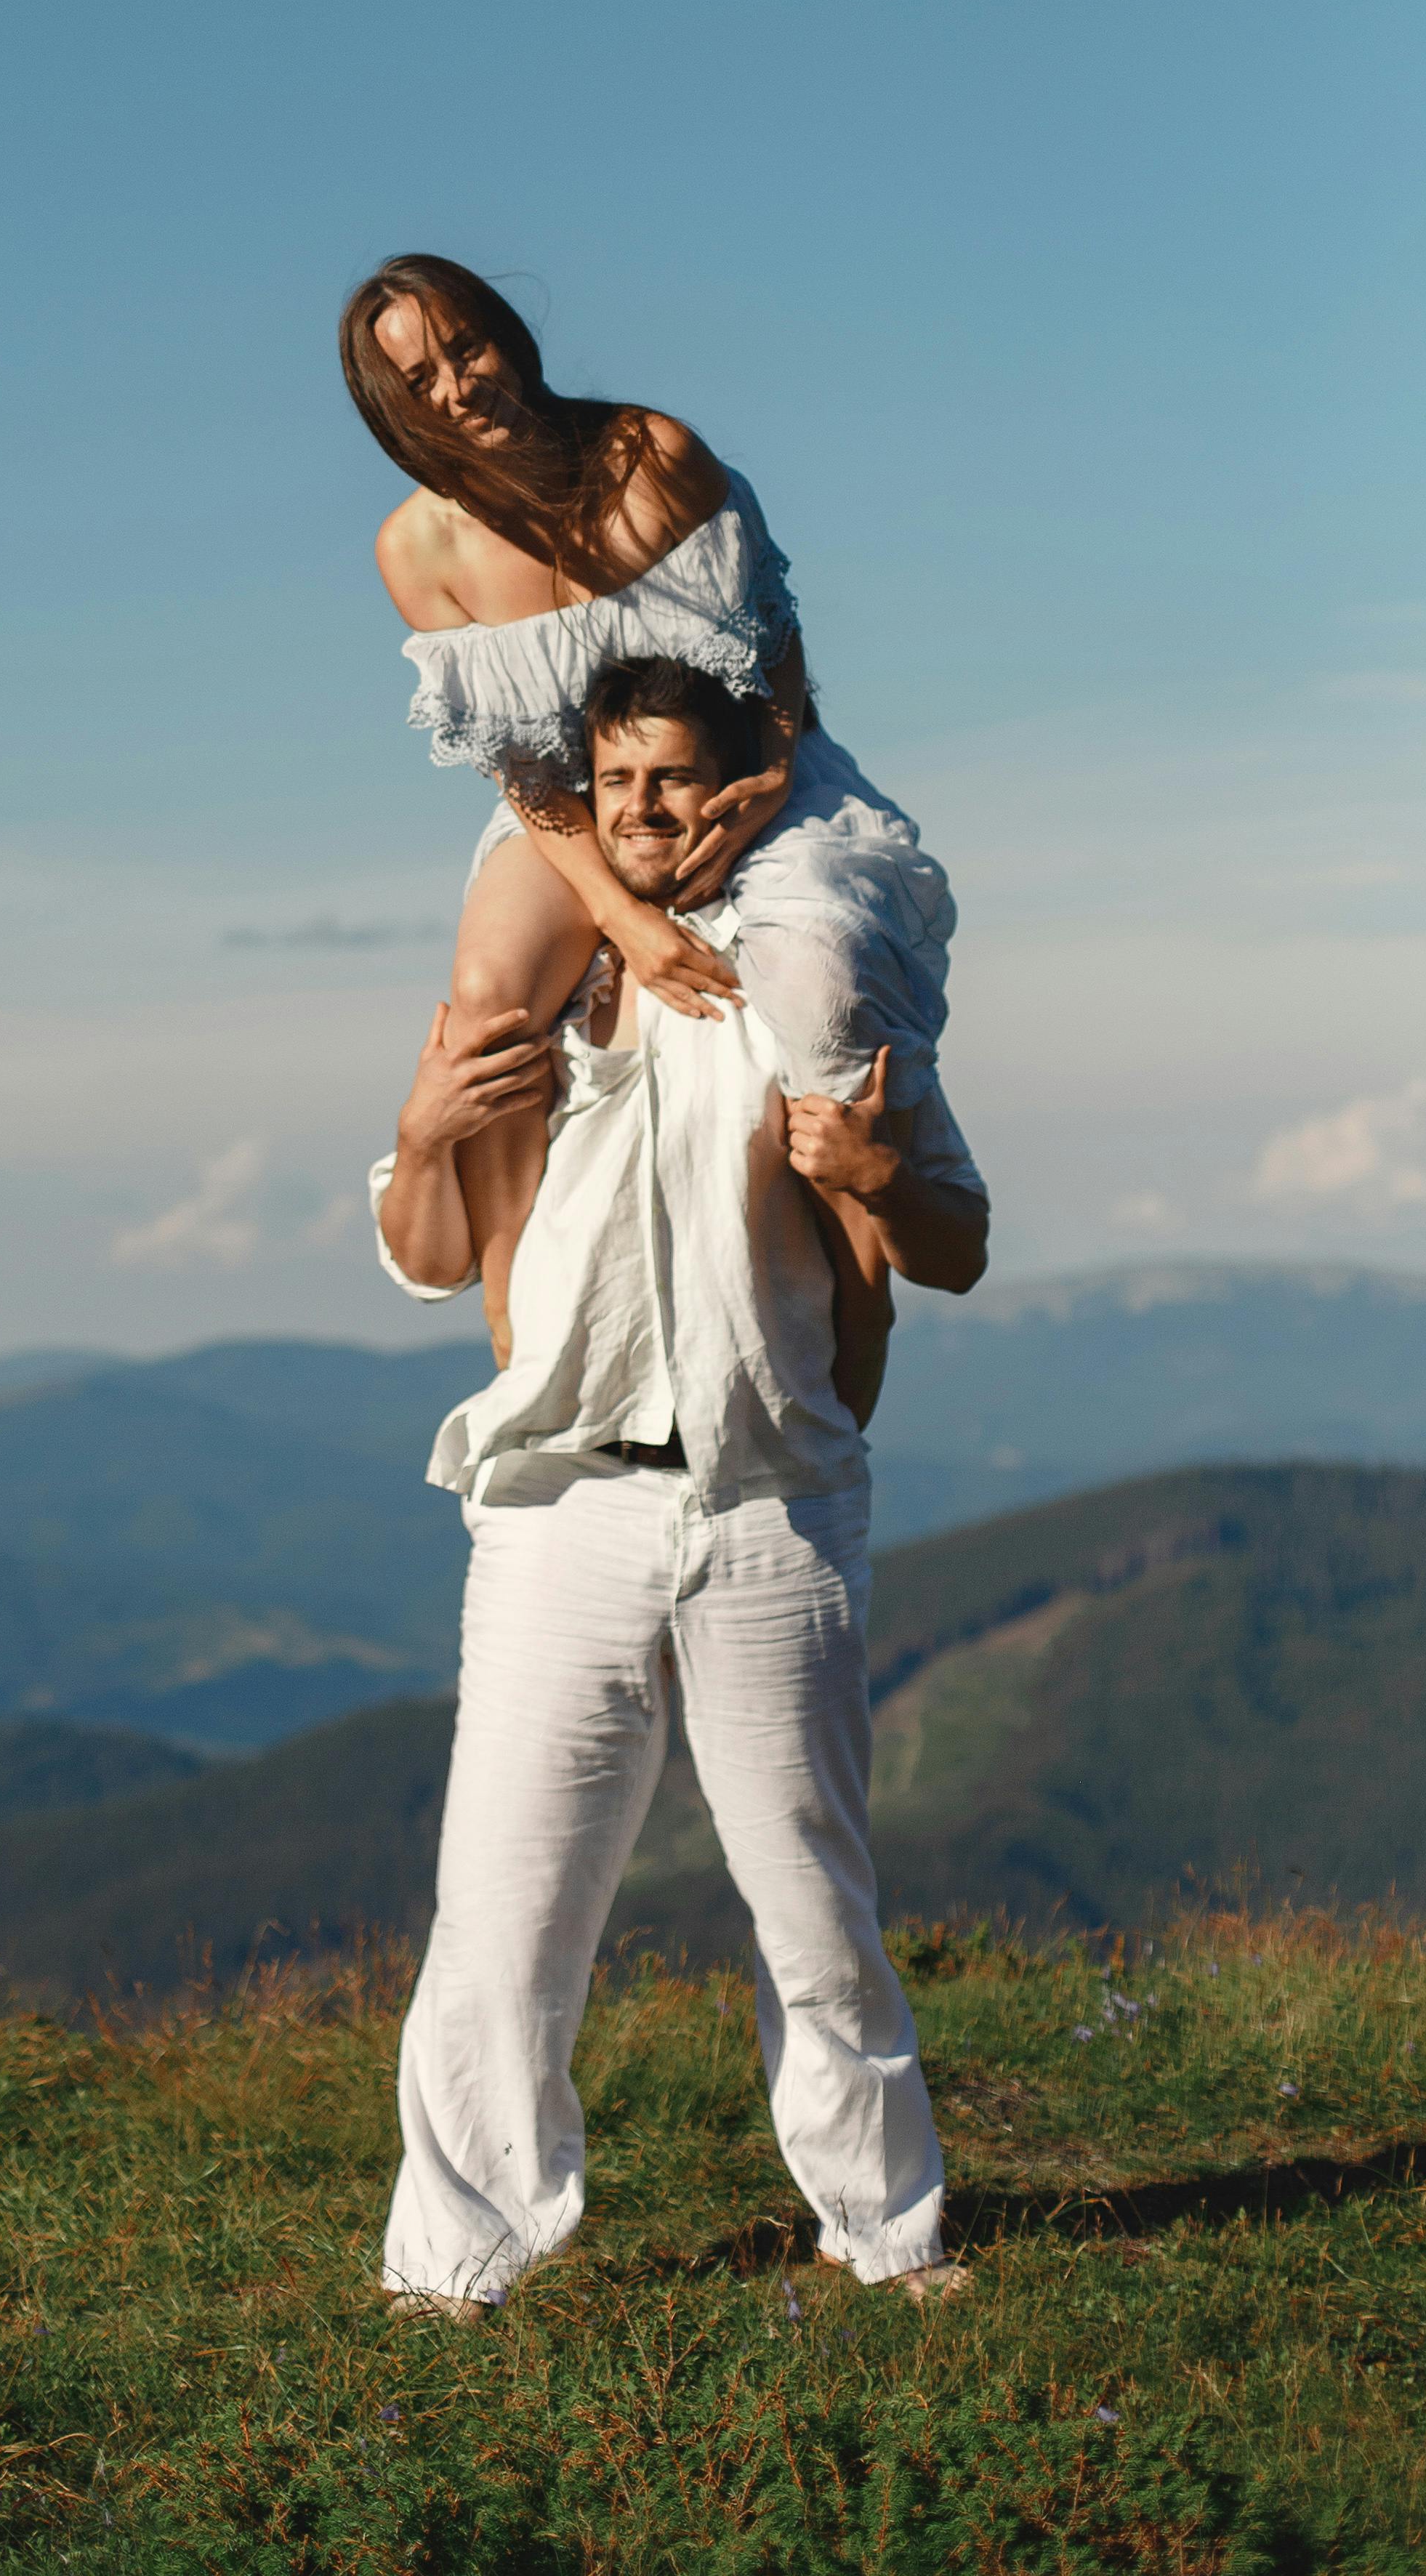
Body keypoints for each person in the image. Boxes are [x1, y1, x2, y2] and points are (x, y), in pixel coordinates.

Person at [369, 653, 989, 2311]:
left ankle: (890, 2233)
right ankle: (451, 2268)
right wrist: (426, 1131)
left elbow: (961, 1242)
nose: (642, 815)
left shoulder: (811, 988)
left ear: (741, 792)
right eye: (614, 784)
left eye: (671, 783)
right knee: (505, 1908)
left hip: (773, 1497)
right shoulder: (534, 982)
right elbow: (427, 1260)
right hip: (558, 1503)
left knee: (813, 1901)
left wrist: (875, 1171)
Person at [340, 253, 973, 1365]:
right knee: (489, 997)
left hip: (748, 763)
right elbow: (522, 768)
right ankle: (507, 1301)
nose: (457, 388)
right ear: (391, 407)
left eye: (468, 349)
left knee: (821, 978)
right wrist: (622, 917)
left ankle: (861, 1277)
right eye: (419, 378)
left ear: (509, 338)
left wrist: (770, 773)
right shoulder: (417, 550)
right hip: (573, 805)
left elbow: (772, 639)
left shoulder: (652, 457)